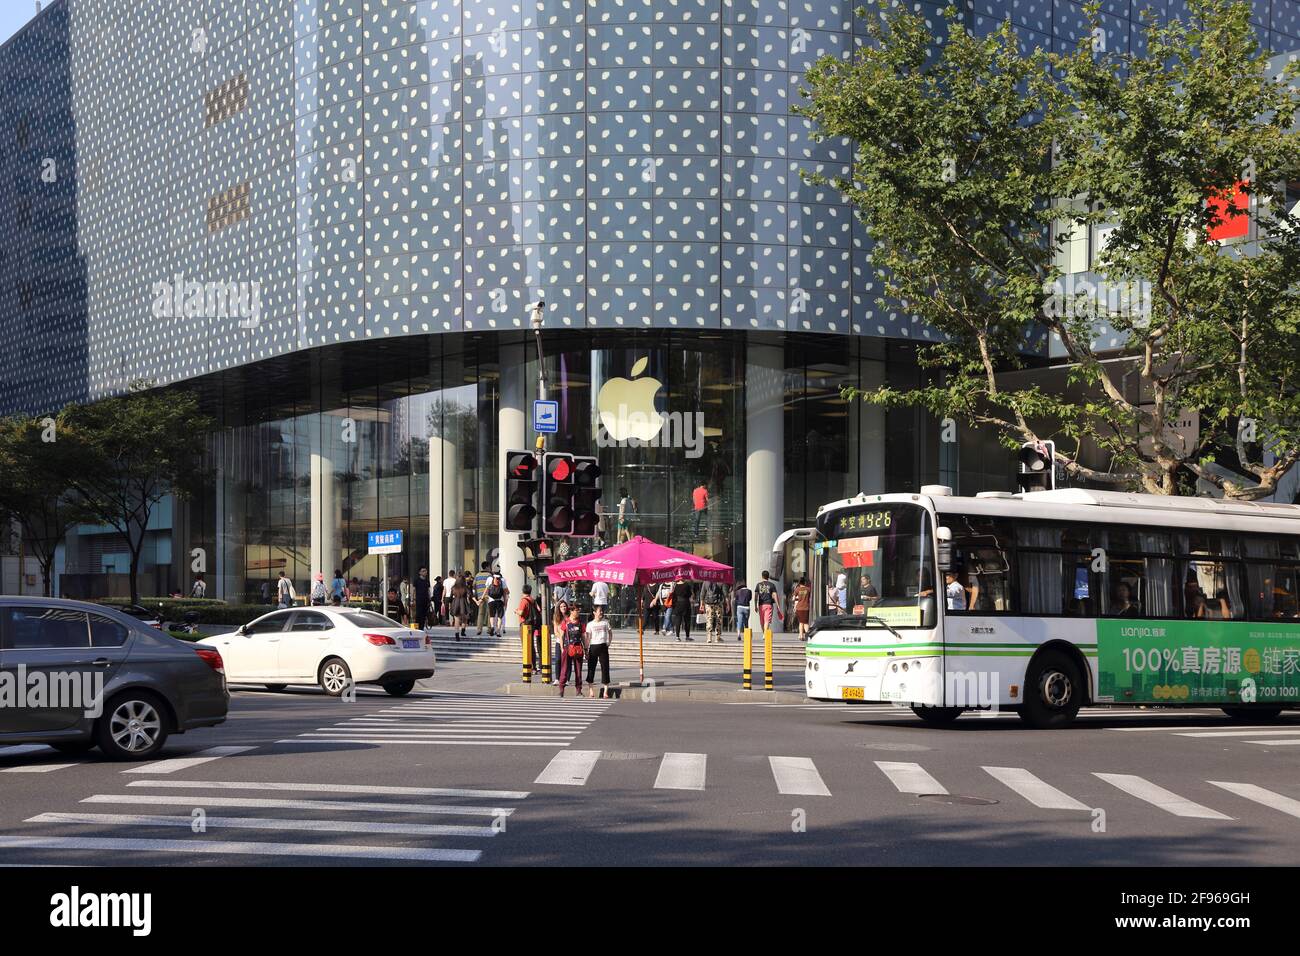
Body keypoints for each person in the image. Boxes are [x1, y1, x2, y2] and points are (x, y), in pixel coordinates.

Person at [585, 604, 613, 698]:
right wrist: (586, 649)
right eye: (599, 611)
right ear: (594, 613)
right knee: (591, 668)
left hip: (603, 647)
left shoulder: (605, 622)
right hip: (593, 647)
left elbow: (610, 632)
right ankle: (591, 691)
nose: (601, 612)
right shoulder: (590, 624)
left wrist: (609, 642)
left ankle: (605, 691)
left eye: (601, 611)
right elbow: (588, 637)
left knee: (605, 668)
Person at [557, 607, 585, 697]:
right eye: (576, 610)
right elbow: (561, 636)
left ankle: (578, 690)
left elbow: (583, 637)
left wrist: (586, 649)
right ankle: (561, 689)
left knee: (578, 670)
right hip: (567, 648)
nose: (578, 612)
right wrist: (562, 648)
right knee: (564, 669)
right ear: (571, 611)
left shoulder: (581, 623)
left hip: (578, 648)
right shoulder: (565, 622)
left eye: (579, 610)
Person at [517, 584, 543, 669]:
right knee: (531, 645)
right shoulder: (533, 600)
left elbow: (521, 612)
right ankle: (533, 666)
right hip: (532, 624)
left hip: (525, 624)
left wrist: (516, 611)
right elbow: (539, 610)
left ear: (522, 591)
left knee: (526, 645)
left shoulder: (523, 600)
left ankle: (529, 666)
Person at [701, 578, 727, 643]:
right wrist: (728, 604)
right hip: (718, 604)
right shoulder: (721, 581)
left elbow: (702, 594)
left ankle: (709, 638)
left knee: (709, 620)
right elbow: (725, 594)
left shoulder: (706, 581)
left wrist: (701, 604)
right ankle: (717, 638)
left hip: (708, 604)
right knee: (719, 620)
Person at [449, 572, 471, 640]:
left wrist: (450, 603)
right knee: (465, 617)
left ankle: (457, 634)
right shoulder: (465, 587)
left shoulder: (453, 587)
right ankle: (463, 631)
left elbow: (450, 597)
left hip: (455, 602)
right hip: (463, 602)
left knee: (456, 619)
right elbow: (470, 594)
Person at [672, 576, 694, 641]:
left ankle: (677, 637)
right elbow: (689, 594)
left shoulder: (675, 585)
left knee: (678, 621)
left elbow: (673, 595)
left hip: (677, 604)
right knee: (687, 620)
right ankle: (687, 636)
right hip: (685, 603)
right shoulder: (687, 585)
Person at [487, 572, 508, 637]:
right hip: (500, 600)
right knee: (500, 617)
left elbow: (487, 590)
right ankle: (498, 631)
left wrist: (482, 597)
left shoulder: (490, 579)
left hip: (491, 601)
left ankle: (492, 626)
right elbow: (505, 593)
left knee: (492, 616)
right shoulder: (502, 581)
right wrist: (505, 602)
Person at [474, 561, 493, 635]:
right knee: (490, 612)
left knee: (481, 613)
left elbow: (474, 585)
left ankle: (479, 629)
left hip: (480, 596)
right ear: (487, 567)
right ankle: (489, 628)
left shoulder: (477, 575)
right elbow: (491, 586)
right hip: (488, 596)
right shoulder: (489, 575)